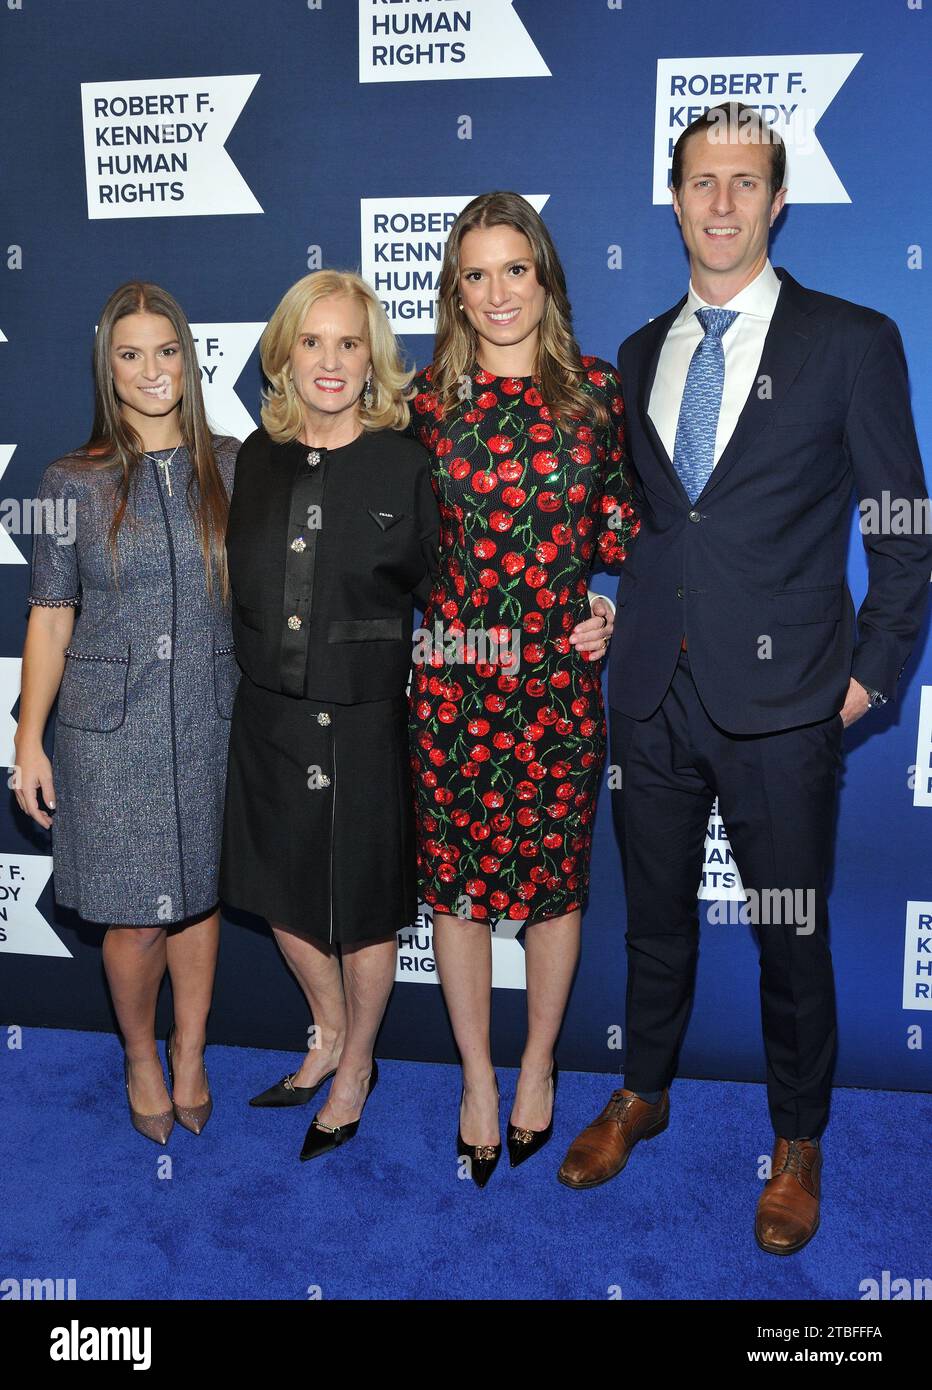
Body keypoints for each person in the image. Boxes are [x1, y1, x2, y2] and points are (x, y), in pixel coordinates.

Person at [558, 104, 932, 1253]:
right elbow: (644, 528)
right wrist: (600, 604)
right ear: (671, 199)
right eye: (700, 180)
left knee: (787, 932)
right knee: (655, 924)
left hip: (785, 709)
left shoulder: (851, 339)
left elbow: (902, 527)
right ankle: (644, 1090)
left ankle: (797, 1139)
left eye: (743, 182)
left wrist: (868, 679)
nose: (719, 202)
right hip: (653, 700)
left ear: (775, 202)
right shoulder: (630, 355)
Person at [409, 192, 638, 1185]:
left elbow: (628, 526)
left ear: (543, 277)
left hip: (554, 682)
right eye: (475, 274)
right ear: (454, 293)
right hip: (455, 681)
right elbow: (385, 542)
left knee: (551, 889)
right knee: (455, 890)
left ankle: (537, 1063)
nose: (497, 292)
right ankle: (474, 1079)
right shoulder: (422, 404)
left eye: (515, 269)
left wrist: (618, 608)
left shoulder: (594, 392)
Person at [220, 270, 438, 1162]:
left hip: (365, 715)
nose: (331, 361)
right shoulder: (253, 461)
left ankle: (357, 1068)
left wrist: (595, 613)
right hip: (267, 712)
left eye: (350, 343)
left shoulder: (406, 462)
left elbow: (454, 592)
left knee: (364, 906)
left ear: (373, 356)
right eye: (312, 342)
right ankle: (328, 1032)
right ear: (283, 355)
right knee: (279, 890)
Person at [16, 280, 241, 1144]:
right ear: (107, 369)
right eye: (131, 354)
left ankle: (192, 1052)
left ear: (189, 357)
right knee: (137, 919)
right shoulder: (69, 481)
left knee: (198, 898)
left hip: (214, 721)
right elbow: (49, 613)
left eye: (168, 350)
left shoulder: (232, 461)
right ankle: (141, 1056)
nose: (153, 370)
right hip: (109, 733)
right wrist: (27, 736)